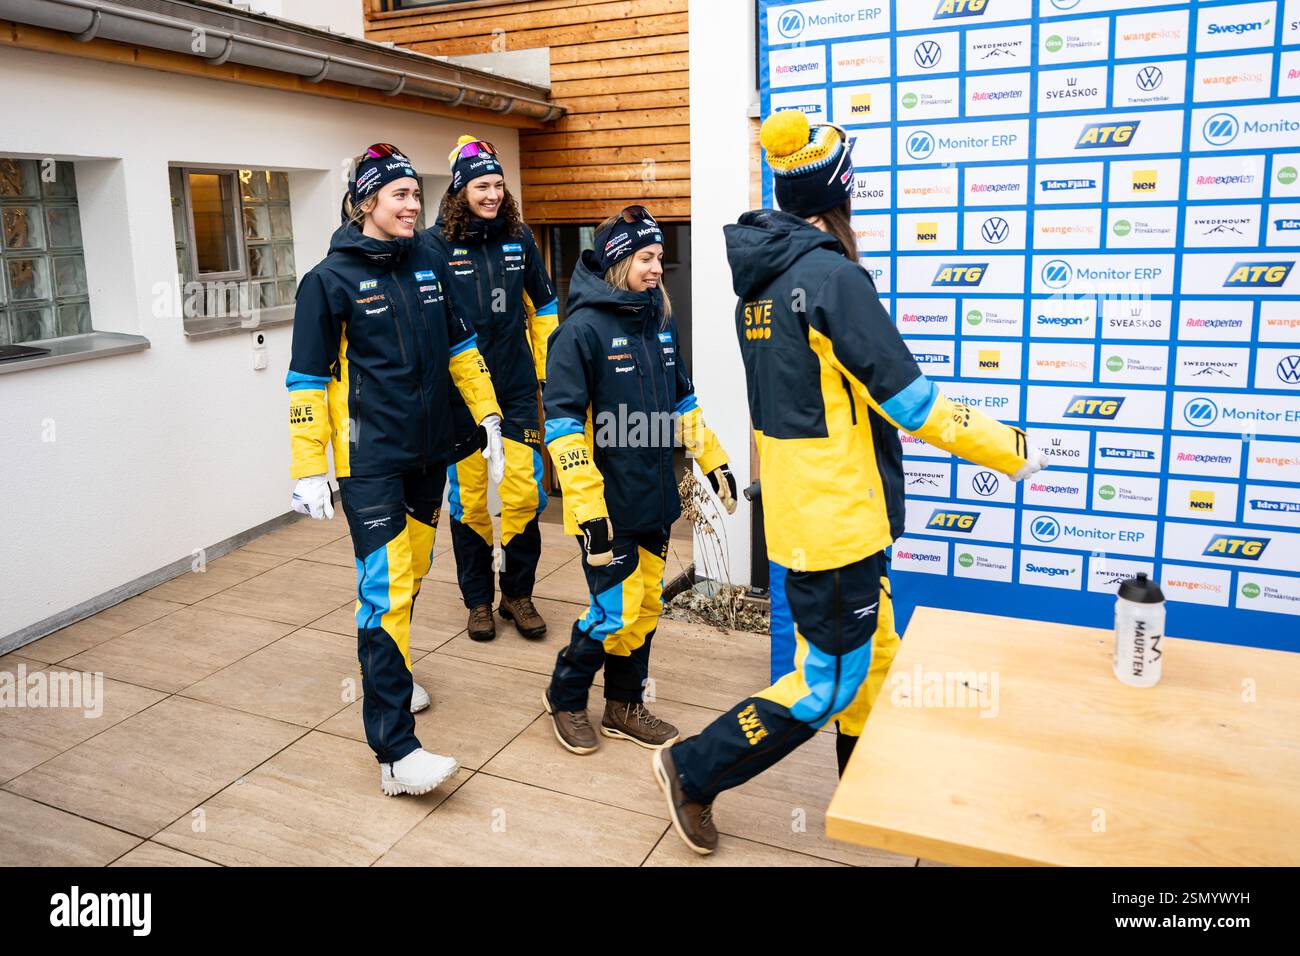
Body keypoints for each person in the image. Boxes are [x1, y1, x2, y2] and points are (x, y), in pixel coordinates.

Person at [653, 112, 1048, 854]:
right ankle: (693, 768)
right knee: (827, 685)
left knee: (878, 663)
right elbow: (911, 405)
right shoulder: (832, 277)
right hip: (838, 526)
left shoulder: (759, 286)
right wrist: (1010, 448)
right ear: (843, 189)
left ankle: (870, 790)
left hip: (817, 516)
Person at [286, 143, 505, 797]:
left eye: (416, 193)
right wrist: (308, 466)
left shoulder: (431, 262)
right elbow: (305, 382)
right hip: (371, 462)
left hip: (429, 453)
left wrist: (487, 416)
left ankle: (399, 678)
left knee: (411, 575)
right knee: (382, 591)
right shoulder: (328, 283)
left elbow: (462, 345)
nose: (413, 204)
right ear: (366, 202)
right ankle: (395, 754)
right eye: (399, 194)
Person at [540, 205, 738, 755]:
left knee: (646, 607)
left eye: (658, 257)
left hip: (652, 496)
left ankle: (623, 706)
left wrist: (713, 460)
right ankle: (565, 695)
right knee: (614, 611)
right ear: (617, 260)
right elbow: (562, 428)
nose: (656, 268)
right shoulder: (579, 332)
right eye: (646, 258)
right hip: (606, 508)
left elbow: (682, 403)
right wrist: (587, 510)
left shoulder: (658, 320)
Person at [423, 136, 560, 643]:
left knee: (526, 492)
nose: (493, 194)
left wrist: (549, 371)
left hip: (517, 387)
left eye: (499, 184)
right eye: (482, 185)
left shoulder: (519, 237)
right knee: (470, 500)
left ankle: (517, 595)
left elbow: (543, 308)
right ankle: (478, 600)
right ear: (461, 190)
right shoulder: (433, 245)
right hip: (460, 395)